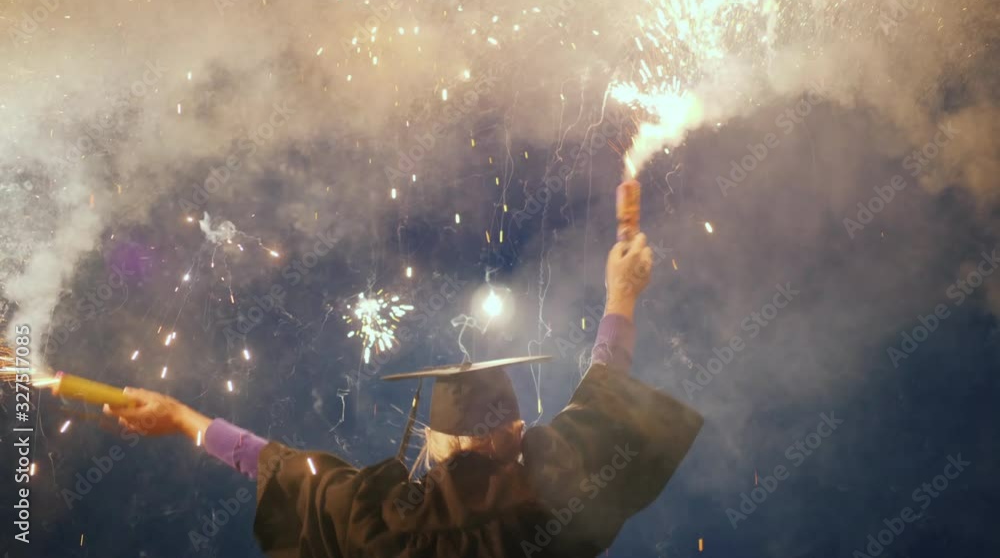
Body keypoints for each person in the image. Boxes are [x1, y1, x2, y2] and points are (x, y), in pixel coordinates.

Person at [105, 232, 704, 557]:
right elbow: (603, 394)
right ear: (519, 434)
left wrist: (182, 418)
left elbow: (274, 462)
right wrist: (621, 294)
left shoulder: (373, 525)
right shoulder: (556, 498)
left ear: (432, 444)